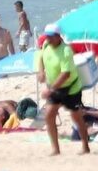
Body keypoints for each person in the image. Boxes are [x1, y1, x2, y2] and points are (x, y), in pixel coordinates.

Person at [37, 24, 89, 156]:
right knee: (49, 115)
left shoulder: (66, 50)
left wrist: (50, 90)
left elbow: (66, 74)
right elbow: (40, 57)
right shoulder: (46, 44)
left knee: (76, 117)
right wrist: (41, 71)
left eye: (50, 36)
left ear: (58, 36)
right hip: (55, 88)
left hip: (70, 88)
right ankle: (56, 149)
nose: (48, 39)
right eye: (46, 36)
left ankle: (85, 146)